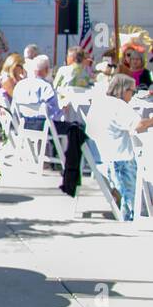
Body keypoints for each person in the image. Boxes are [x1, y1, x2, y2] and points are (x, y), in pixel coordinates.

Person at [12, 55, 86, 195]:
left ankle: (57, 161)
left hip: (26, 123)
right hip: (44, 125)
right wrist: (63, 109)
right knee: (77, 129)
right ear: (46, 70)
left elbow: (15, 107)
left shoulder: (21, 85)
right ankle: (70, 167)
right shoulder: (46, 87)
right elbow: (54, 113)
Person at [84, 73, 153, 220]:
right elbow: (138, 125)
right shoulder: (118, 105)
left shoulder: (98, 103)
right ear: (124, 90)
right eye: (132, 91)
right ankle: (135, 213)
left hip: (101, 159)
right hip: (120, 162)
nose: (132, 95)